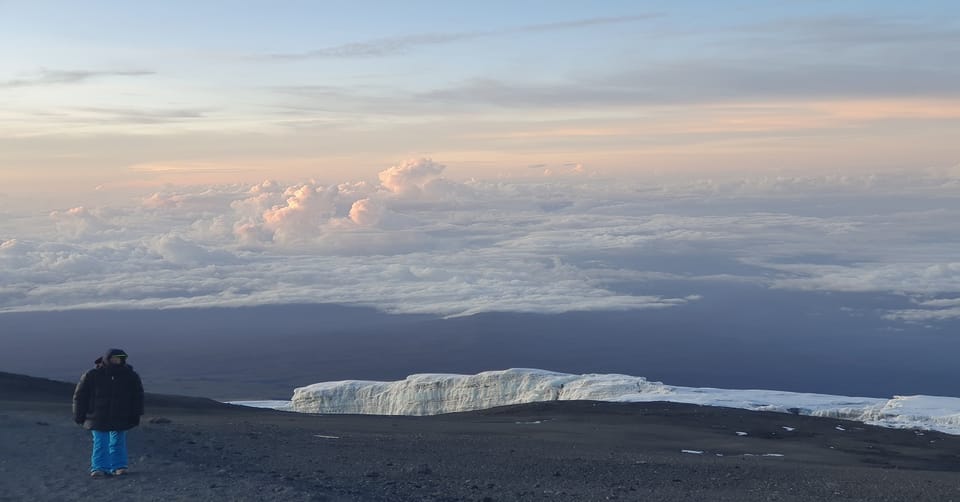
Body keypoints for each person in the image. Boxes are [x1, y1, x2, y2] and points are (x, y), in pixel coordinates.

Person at [72, 348, 145, 478]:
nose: (117, 361)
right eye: (114, 358)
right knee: (101, 441)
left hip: (121, 415)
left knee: (118, 441)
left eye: (119, 358)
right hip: (97, 416)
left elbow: (137, 397)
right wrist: (79, 415)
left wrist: (136, 415)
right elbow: (80, 396)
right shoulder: (92, 375)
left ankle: (119, 466)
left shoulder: (130, 376)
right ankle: (99, 468)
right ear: (107, 359)